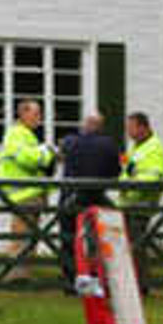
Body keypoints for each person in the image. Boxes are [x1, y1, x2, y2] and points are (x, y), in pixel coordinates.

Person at [57, 113, 121, 289]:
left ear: (85, 126)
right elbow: (115, 172)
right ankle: (97, 279)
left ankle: (72, 281)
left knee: (69, 238)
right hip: (98, 197)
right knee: (98, 240)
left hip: (73, 196)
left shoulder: (72, 142)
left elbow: (61, 151)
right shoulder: (109, 145)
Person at [0, 99, 57, 277]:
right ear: (23, 114)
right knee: (22, 238)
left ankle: (22, 275)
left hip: (30, 194)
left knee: (29, 238)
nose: (40, 118)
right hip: (24, 195)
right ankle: (14, 276)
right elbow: (27, 159)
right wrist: (46, 153)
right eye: (35, 113)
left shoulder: (26, 134)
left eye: (40, 113)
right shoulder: (17, 134)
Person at [118, 112, 163, 292]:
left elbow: (152, 177)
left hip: (141, 204)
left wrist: (128, 187)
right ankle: (135, 283)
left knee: (137, 245)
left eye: (131, 127)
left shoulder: (153, 148)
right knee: (132, 245)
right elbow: (128, 171)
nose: (128, 132)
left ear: (143, 127)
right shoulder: (137, 147)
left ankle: (141, 285)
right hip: (129, 204)